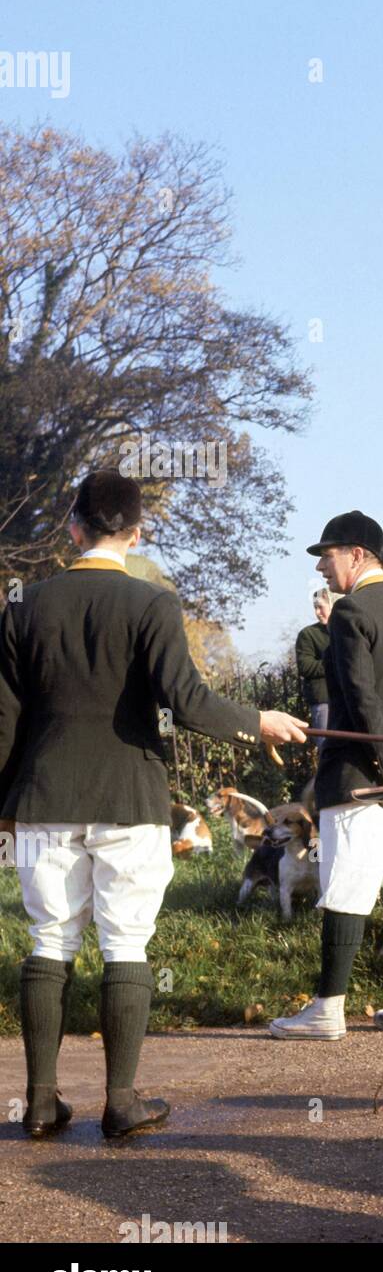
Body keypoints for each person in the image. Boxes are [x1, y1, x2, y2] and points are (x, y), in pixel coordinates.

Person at [0, 470, 307, 1139]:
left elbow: (5, 718)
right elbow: (188, 704)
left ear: (73, 526)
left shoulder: (23, 606)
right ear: (136, 533)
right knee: (125, 940)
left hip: (45, 798)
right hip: (130, 798)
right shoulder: (152, 604)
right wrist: (260, 721)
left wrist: (5, 804)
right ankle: (121, 1102)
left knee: (48, 939)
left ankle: (42, 1104)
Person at [270, 511, 383, 1040]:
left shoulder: (351, 611)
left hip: (361, 781)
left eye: (327, 556)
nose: (323, 569)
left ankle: (327, 1011)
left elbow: (359, 694)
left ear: (356, 554)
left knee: (347, 889)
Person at [295, 587, 336, 748]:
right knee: (326, 747)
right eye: (315, 607)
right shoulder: (308, 634)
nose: (318, 612)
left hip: (349, 699)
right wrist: (333, 664)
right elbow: (305, 666)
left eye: (321, 607)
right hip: (323, 701)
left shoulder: (346, 630)